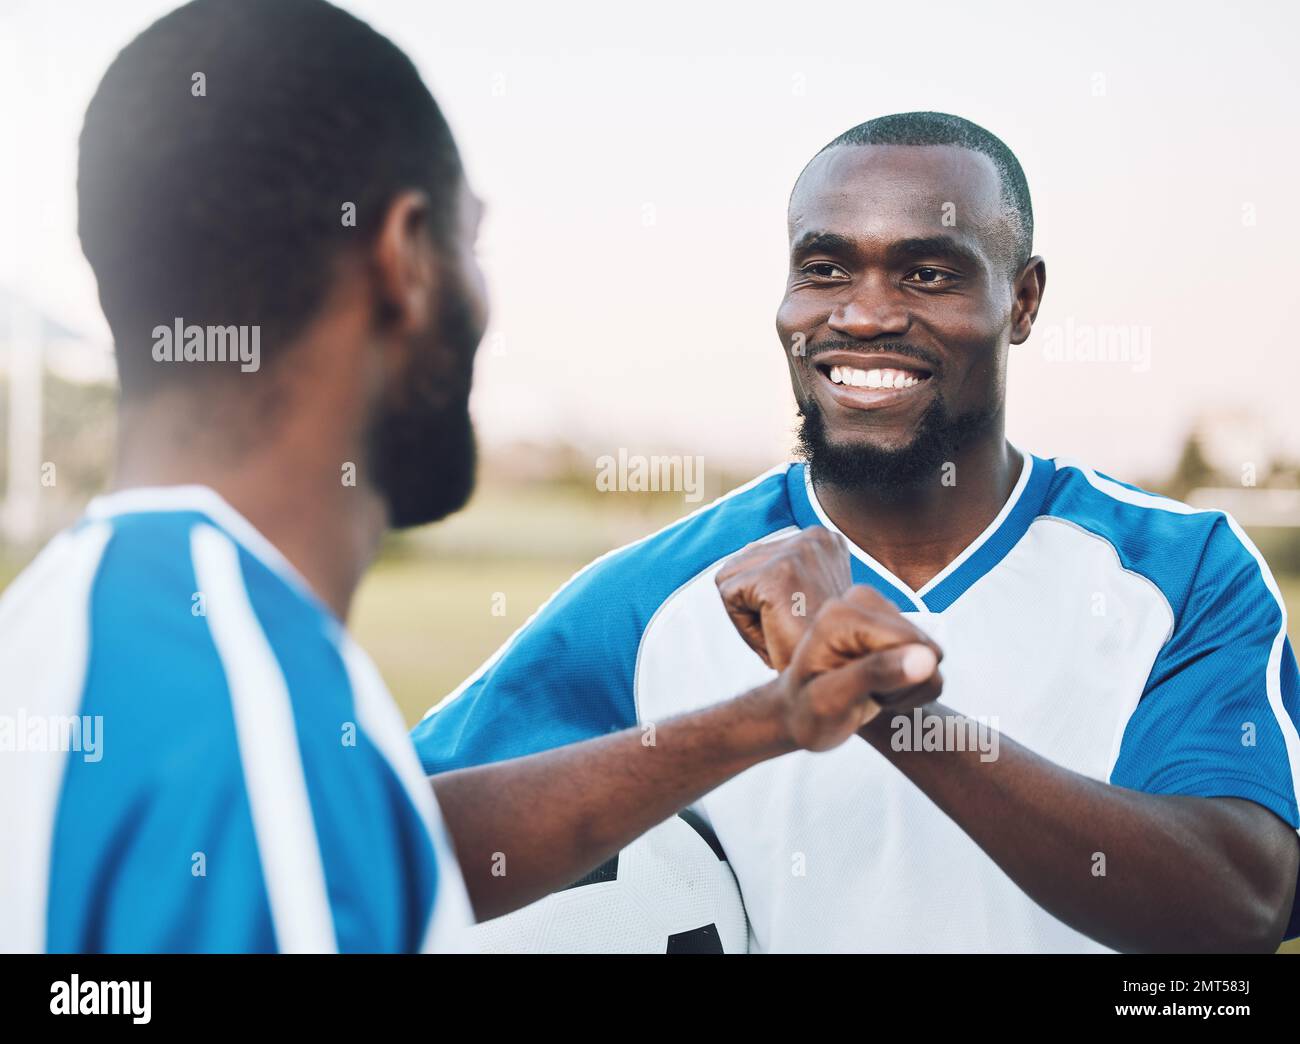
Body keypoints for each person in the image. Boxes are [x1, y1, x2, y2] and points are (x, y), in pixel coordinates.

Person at [0, 0, 938, 953]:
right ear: (406, 258)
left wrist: (767, 721)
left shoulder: (81, 631)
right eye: (471, 240)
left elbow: (389, 840)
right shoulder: (242, 696)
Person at [413, 111, 1300, 953]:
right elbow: (383, 835)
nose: (863, 314)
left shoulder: (1182, 573)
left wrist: (901, 714)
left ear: (1023, 302)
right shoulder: (654, 598)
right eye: (826, 269)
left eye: (928, 273)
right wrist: (741, 728)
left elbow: (1244, 902)